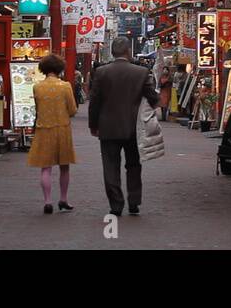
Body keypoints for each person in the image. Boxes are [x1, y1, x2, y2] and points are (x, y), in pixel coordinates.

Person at [88, 36, 159, 216]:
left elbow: (94, 101)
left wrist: (93, 124)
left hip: (108, 126)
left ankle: (116, 204)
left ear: (112, 52)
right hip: (134, 127)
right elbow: (153, 97)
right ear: (128, 51)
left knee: (110, 166)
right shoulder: (141, 72)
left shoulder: (102, 72)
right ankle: (134, 202)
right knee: (134, 165)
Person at [27, 54, 78, 215]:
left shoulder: (37, 87)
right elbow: (72, 110)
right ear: (59, 69)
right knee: (64, 167)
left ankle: (47, 201)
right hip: (62, 129)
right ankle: (63, 199)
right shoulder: (65, 86)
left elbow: (37, 108)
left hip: (43, 129)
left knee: (46, 168)